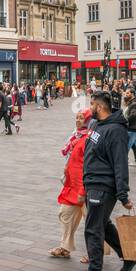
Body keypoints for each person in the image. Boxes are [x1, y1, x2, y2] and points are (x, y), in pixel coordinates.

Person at [72, 91, 136, 271]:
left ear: (99, 107)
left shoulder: (116, 131)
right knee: (103, 225)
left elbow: (120, 163)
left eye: (92, 104)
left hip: (103, 185)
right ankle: (128, 256)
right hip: (93, 183)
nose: (89, 107)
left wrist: (123, 195)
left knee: (93, 229)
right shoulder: (96, 125)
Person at [49, 109, 91, 259]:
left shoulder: (89, 139)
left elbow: (88, 166)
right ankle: (65, 246)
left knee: (93, 222)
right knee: (65, 214)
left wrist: (83, 189)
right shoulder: (77, 136)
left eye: (82, 118)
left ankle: (95, 254)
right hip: (72, 185)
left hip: (85, 187)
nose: (78, 120)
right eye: (77, 118)